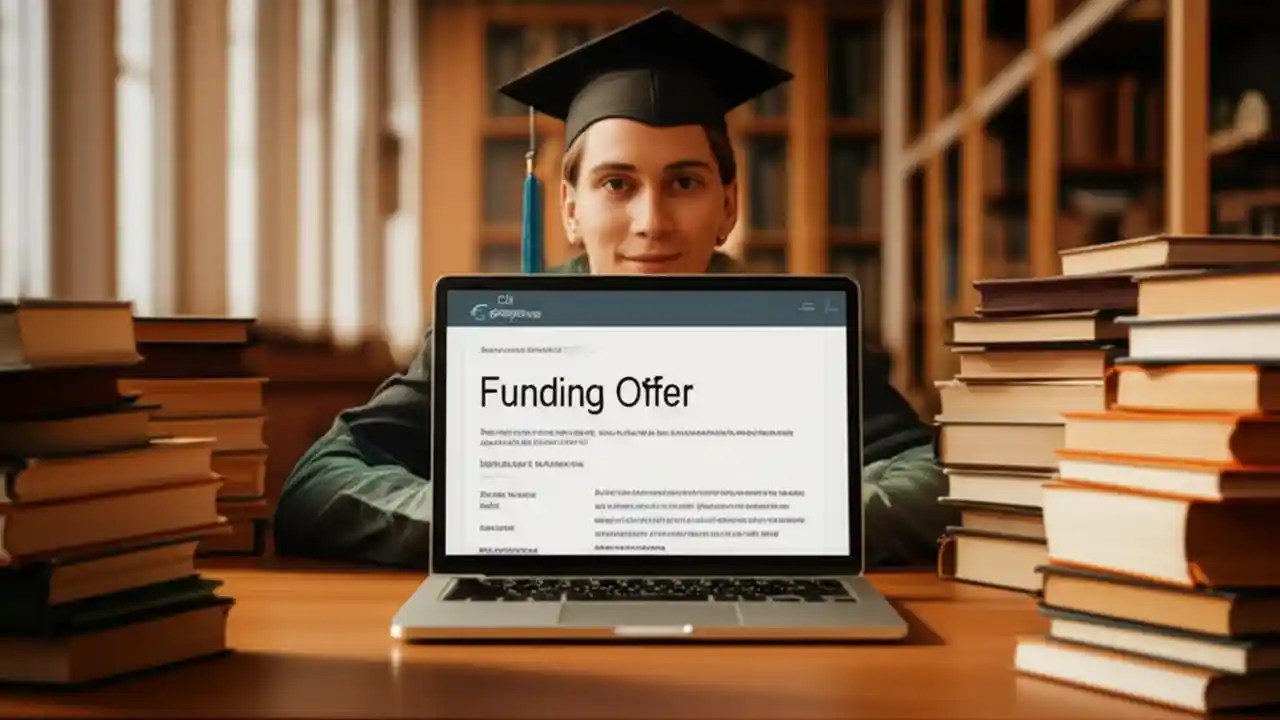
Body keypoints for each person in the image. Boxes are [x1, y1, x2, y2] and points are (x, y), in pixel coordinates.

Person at [273, 8, 955, 569]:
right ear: (570, 207)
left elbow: (933, 481)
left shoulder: (796, 331)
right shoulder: (499, 332)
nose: (651, 222)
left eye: (684, 182)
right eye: (616, 184)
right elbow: (318, 488)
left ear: (728, 205)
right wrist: (519, 525)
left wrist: (755, 524)